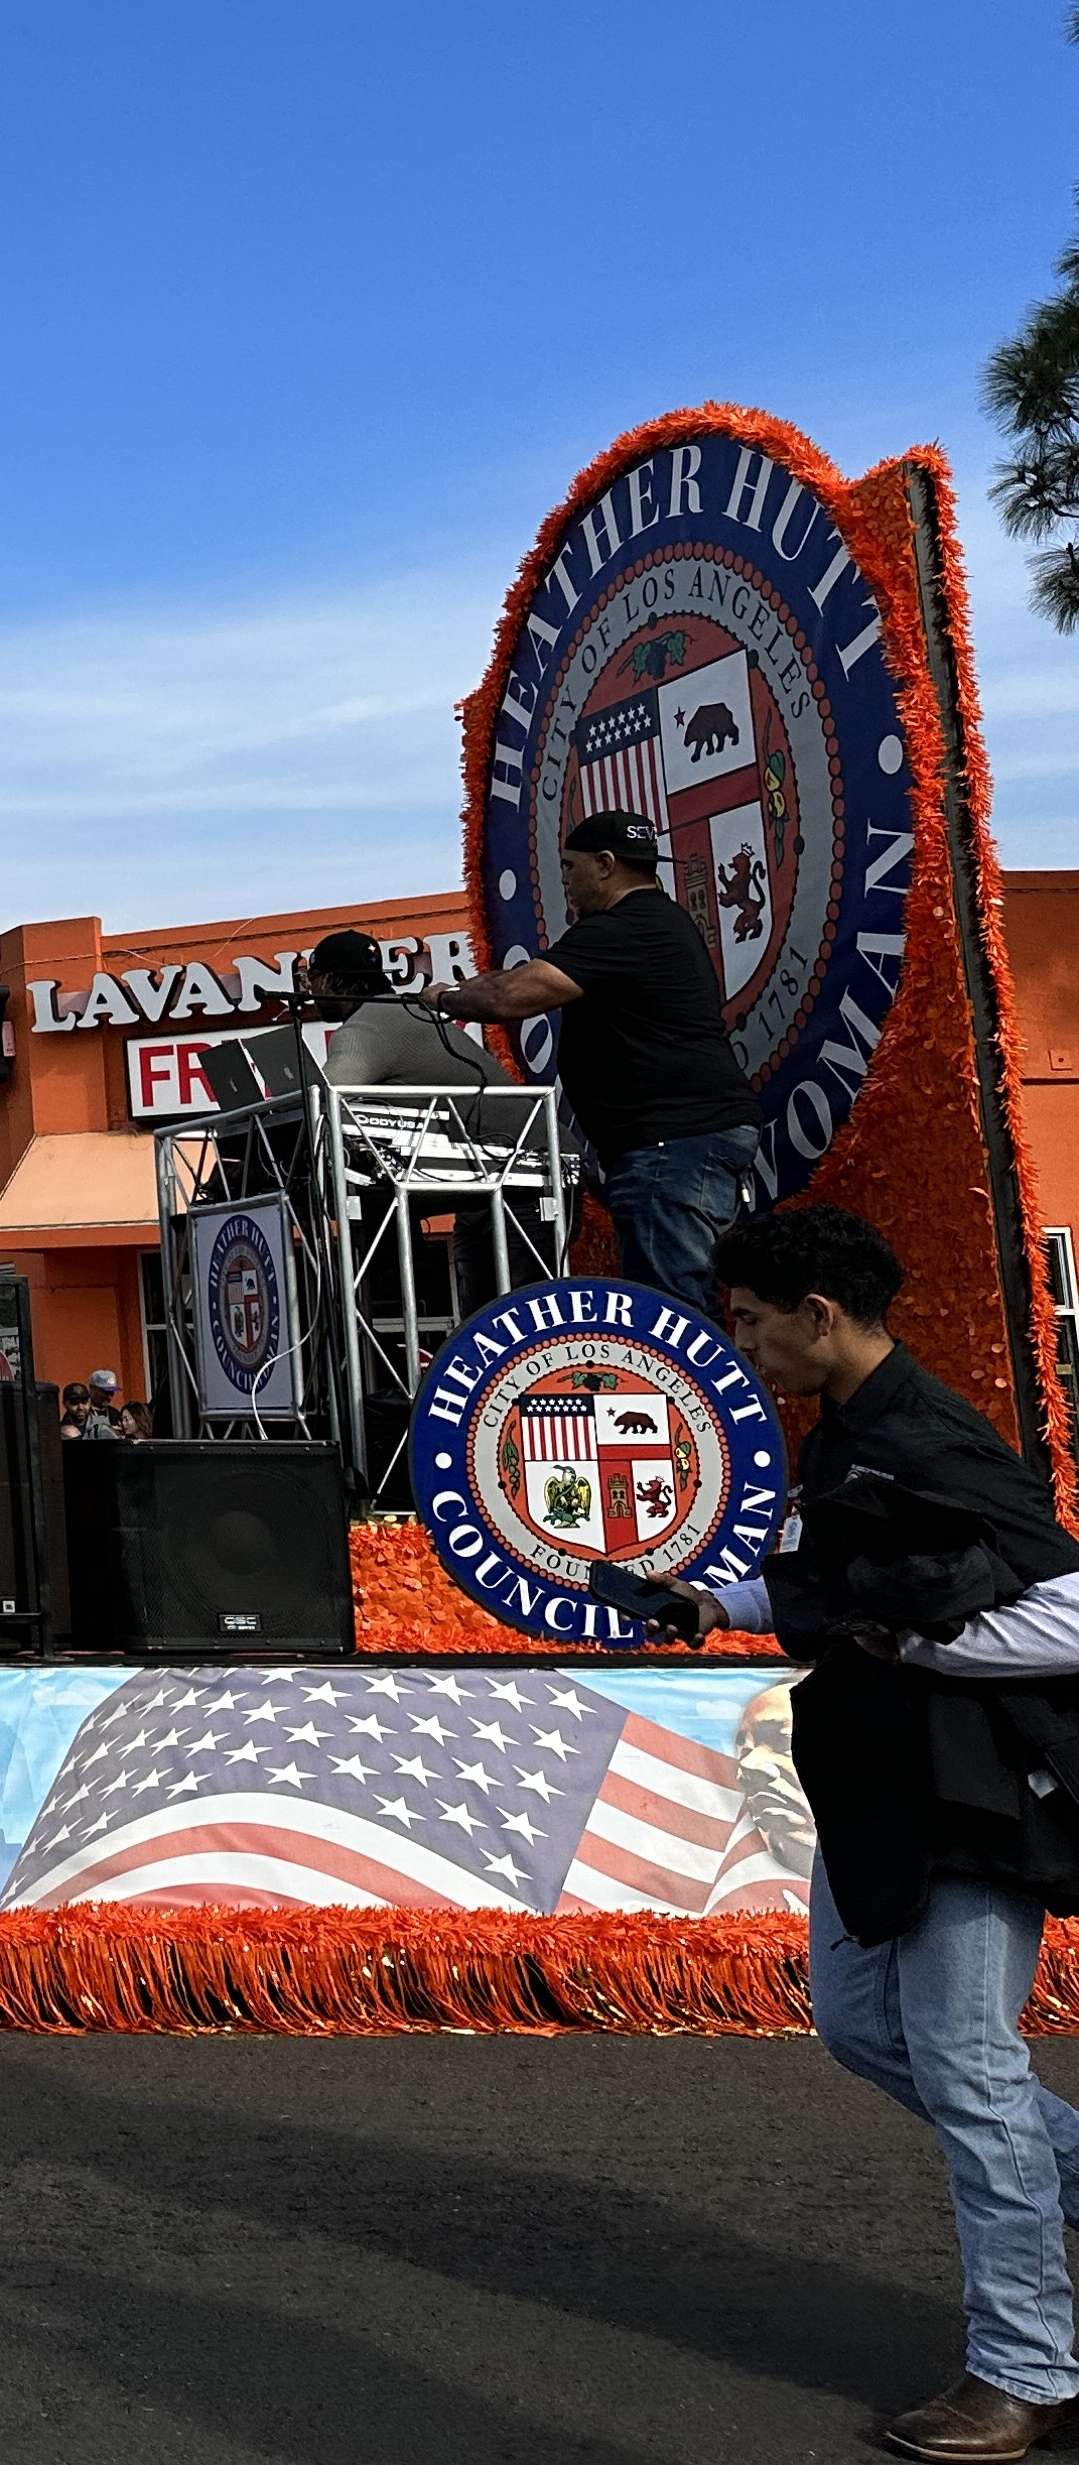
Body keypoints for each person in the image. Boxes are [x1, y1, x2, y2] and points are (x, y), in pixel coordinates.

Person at [669, 1207, 1079, 2462]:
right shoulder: (848, 1433)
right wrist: (710, 1599)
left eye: (749, 1321)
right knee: (859, 2025)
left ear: (820, 1316)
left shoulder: (931, 1435)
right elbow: (840, 1588)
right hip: (875, 1790)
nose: (741, 1346)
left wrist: (920, 1636)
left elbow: (1073, 1604)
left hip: (967, 1797)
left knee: (965, 2066)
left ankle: (1024, 2371)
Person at [418, 810, 760, 1306]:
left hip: (671, 1141)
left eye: (570, 869)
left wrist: (445, 998)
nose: (567, 885)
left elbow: (511, 996)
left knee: (674, 1312)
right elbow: (511, 985)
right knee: (675, 1299)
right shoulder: (654, 922)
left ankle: (705, 1388)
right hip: (676, 1139)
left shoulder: (625, 928)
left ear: (605, 864)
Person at [307, 929, 508, 1092]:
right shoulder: (400, 1009)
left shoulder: (367, 1026)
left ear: (332, 981)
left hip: (505, 1141)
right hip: (520, 1133)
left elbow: (322, 1103)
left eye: (311, 979)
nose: (309, 989)